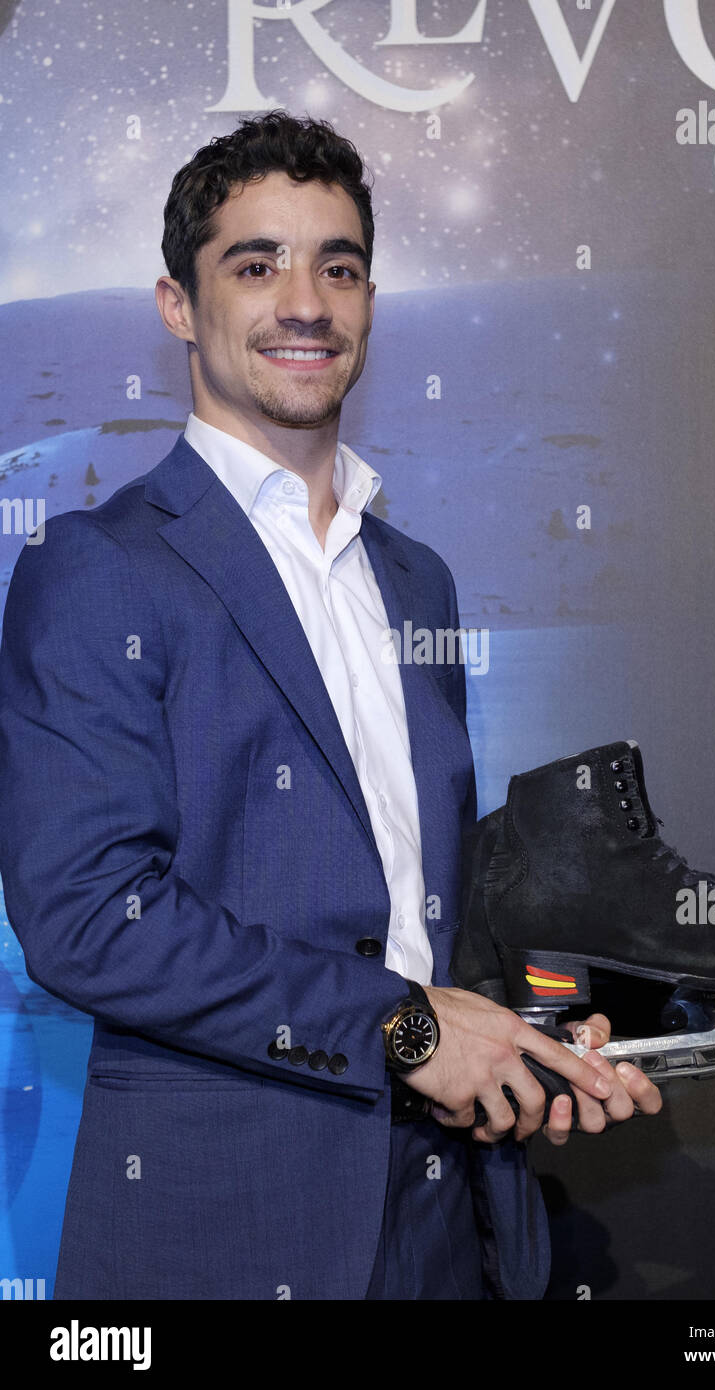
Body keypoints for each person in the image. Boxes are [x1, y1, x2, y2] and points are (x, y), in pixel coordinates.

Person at [0, 111, 661, 1301]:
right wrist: (406, 1030)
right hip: (229, 1229)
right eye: (255, 264)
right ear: (176, 304)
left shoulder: (416, 577)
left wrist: (518, 1040)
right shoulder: (97, 568)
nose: (305, 301)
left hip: (450, 1220)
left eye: (338, 265)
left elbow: (417, 908)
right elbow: (88, 915)